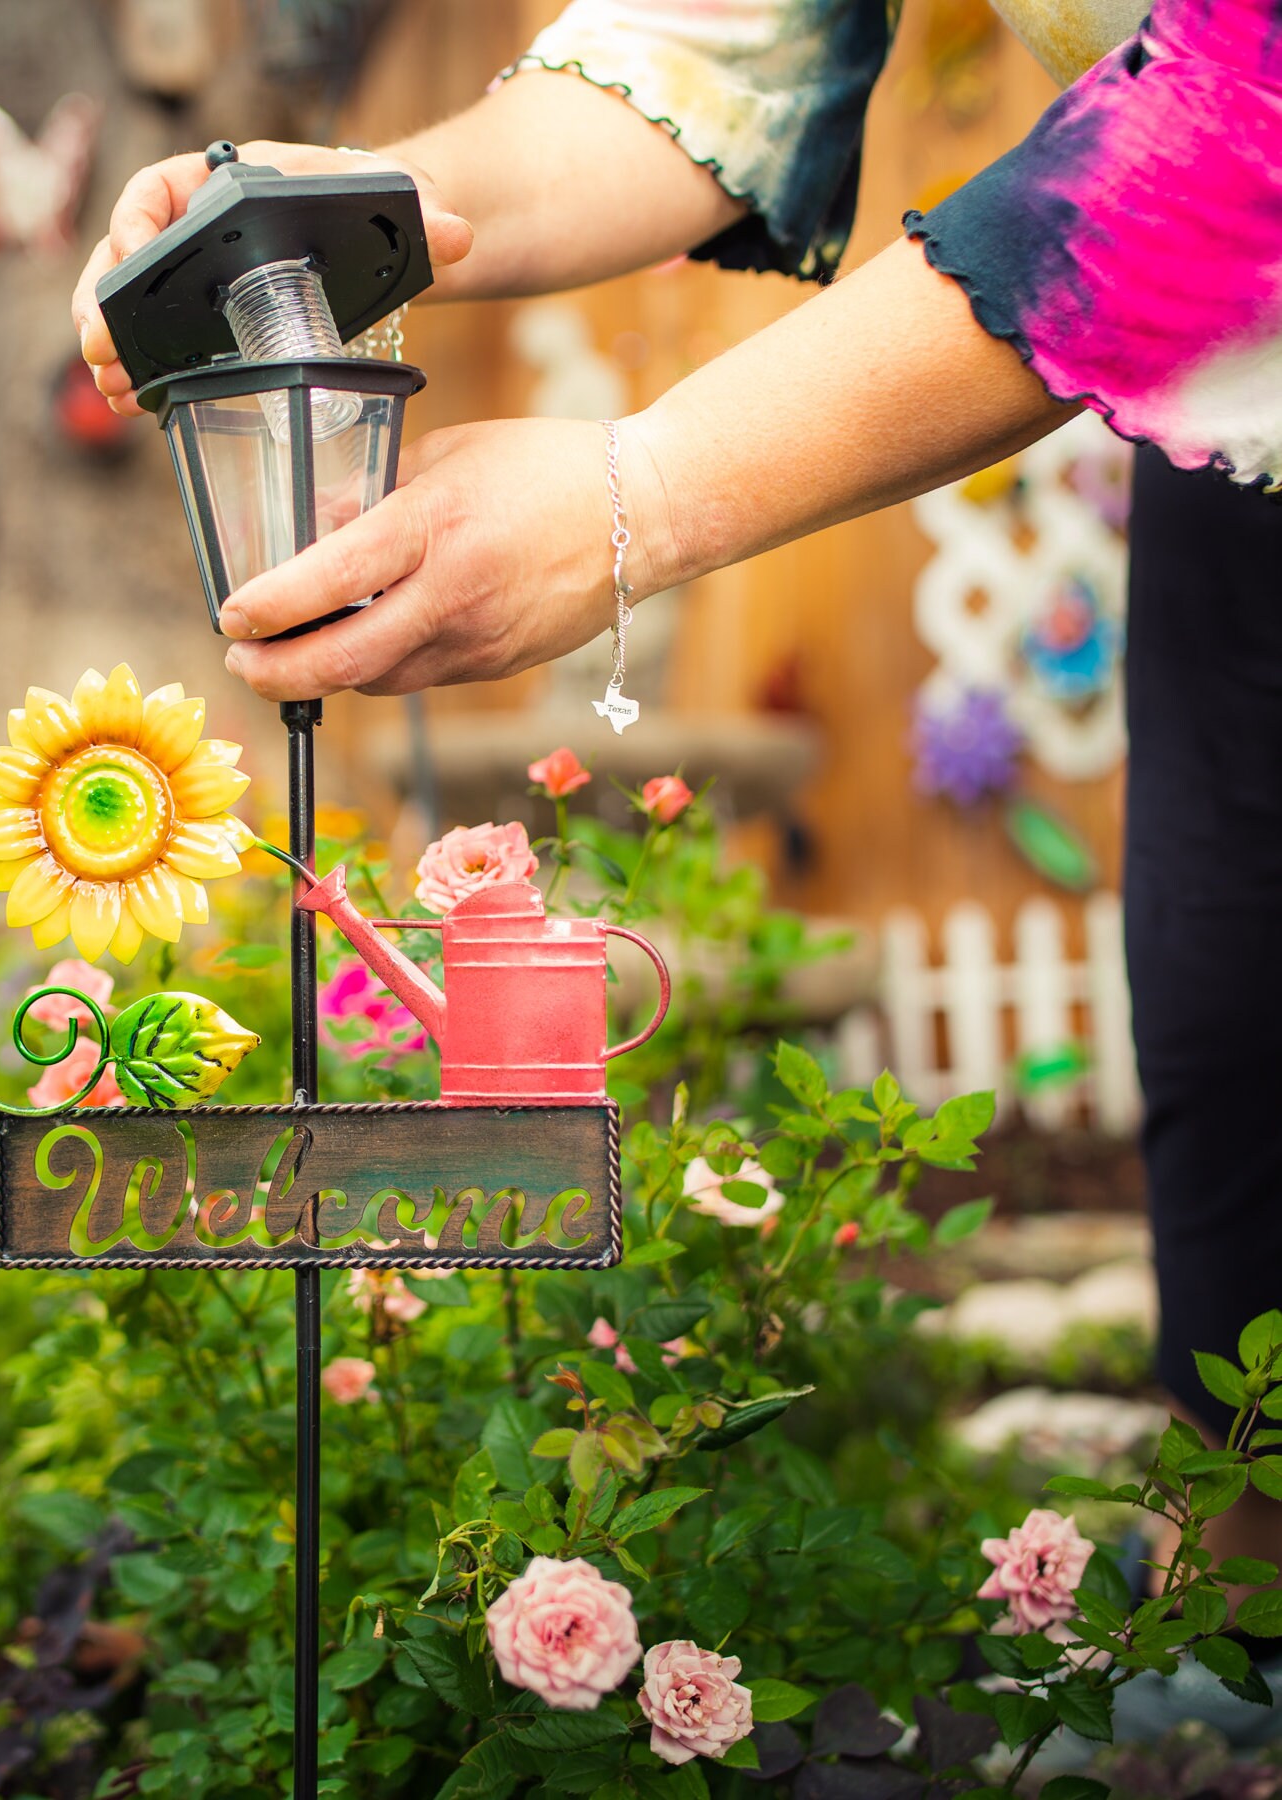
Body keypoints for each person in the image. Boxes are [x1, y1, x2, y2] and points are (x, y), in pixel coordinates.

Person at [74, 0, 1282, 1606]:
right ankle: (1252, 1617)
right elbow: (730, 41)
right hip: (1244, 427)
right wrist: (352, 203)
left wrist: (639, 492)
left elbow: (1243, 113)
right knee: (1233, 999)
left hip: (1229, 271)